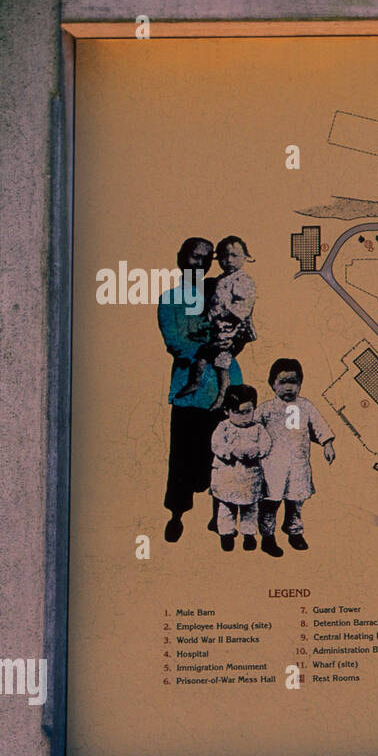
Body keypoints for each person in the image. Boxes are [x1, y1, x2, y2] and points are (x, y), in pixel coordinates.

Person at [158, 237, 245, 542]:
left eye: (207, 259)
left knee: (225, 455)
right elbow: (176, 344)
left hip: (226, 385)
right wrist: (211, 344)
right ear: (181, 259)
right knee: (183, 458)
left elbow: (238, 330)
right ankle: (176, 514)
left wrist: (232, 339)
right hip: (188, 391)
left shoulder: (219, 290)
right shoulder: (170, 299)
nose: (201, 264)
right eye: (195, 258)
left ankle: (218, 515)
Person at [255, 358, 336, 556]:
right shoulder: (266, 409)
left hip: (298, 466)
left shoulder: (306, 406)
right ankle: (267, 537)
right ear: (272, 384)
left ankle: (294, 532)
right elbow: (251, 429)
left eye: (294, 382)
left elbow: (320, 427)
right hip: (272, 467)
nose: (289, 387)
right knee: (270, 503)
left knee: (296, 502)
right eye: (283, 382)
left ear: (300, 383)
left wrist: (327, 443)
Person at [176, 236, 257, 410]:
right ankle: (195, 382)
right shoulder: (217, 281)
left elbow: (244, 309)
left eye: (234, 255)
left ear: (245, 257)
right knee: (203, 356)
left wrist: (231, 332)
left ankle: (223, 396)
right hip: (215, 330)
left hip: (229, 329)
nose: (228, 260)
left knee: (222, 361)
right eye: (223, 256)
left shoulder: (241, 281)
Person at [210, 384, 272, 552]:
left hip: (249, 479)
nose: (243, 417)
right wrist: (231, 451)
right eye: (237, 412)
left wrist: (257, 450)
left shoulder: (258, 428)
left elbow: (266, 444)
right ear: (227, 411)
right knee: (226, 507)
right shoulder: (223, 427)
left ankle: (249, 535)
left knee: (250, 508)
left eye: (247, 412)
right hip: (227, 477)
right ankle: (226, 534)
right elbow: (216, 445)